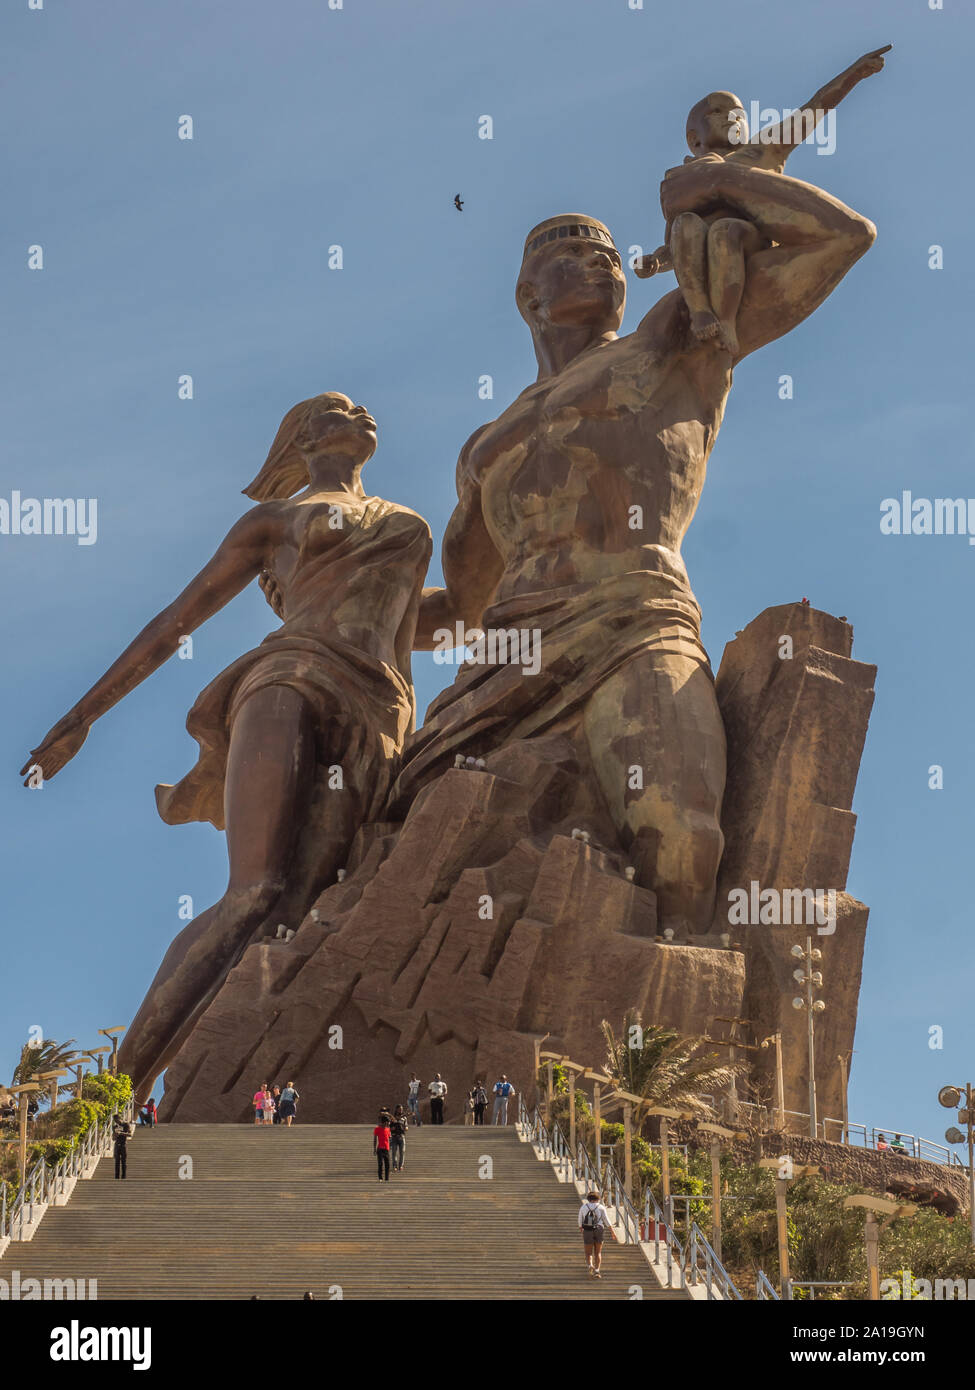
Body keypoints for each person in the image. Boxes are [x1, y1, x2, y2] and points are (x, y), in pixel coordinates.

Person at [24, 392, 433, 1108]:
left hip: (380, 706)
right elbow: (175, 620)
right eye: (339, 408)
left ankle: (231, 1090)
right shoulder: (276, 519)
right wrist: (81, 717)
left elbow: (430, 621)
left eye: (363, 407)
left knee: (303, 907)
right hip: (291, 678)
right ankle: (113, 1098)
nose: (362, 410)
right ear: (303, 440)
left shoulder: (408, 524)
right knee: (255, 893)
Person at [635, 46, 891, 356]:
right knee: (688, 223)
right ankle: (700, 309)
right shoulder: (683, 178)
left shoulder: (760, 152)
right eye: (717, 112)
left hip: (745, 238)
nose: (731, 116)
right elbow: (674, 240)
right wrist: (655, 262)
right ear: (694, 138)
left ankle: (726, 321)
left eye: (737, 113)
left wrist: (853, 75)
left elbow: (811, 111)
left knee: (725, 230)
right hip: (700, 251)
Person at [578, 1189, 613, 1278]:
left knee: (588, 1252)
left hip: (587, 1230)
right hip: (599, 1229)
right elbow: (606, 1220)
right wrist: (612, 1232)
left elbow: (580, 1220)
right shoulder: (601, 1207)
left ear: (588, 1199)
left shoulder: (583, 1207)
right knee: (598, 1252)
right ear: (598, 1199)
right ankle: (597, 1271)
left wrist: (581, 1229)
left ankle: (590, 1265)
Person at [390, 1105, 408, 1171]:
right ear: (396, 1109)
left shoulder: (404, 1118)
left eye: (402, 1109)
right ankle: (395, 1166)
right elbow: (389, 1126)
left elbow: (406, 1126)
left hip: (401, 1136)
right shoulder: (392, 1118)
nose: (401, 1110)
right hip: (394, 1136)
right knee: (394, 1152)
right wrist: (391, 1128)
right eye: (400, 1109)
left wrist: (406, 1128)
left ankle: (401, 1166)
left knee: (402, 1152)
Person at [374, 1115, 391, 1181]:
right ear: (385, 1122)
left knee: (387, 1164)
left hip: (386, 1149)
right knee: (380, 1163)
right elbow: (375, 1139)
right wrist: (374, 1149)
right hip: (380, 1149)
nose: (389, 1123)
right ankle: (380, 1178)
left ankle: (387, 1178)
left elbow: (389, 1138)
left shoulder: (388, 1129)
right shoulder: (377, 1129)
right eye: (388, 1122)